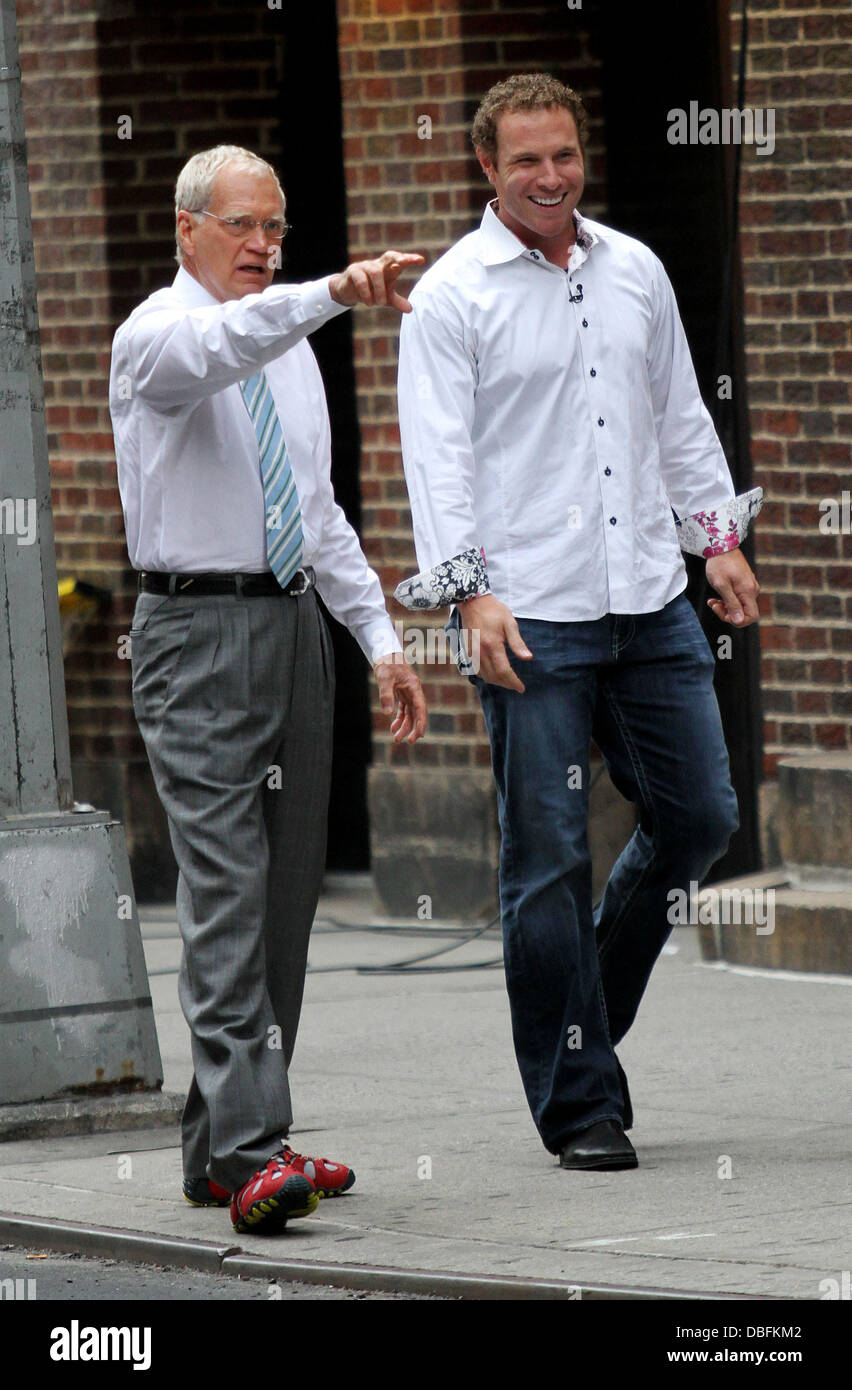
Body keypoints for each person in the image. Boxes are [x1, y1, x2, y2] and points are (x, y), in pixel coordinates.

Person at [395, 75, 762, 1172]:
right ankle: (580, 1105)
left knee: (701, 815)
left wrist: (718, 538)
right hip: (531, 615)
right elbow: (437, 455)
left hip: (649, 594)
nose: (551, 177)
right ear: (486, 169)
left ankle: (579, 1010)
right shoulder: (455, 295)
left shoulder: (634, 268)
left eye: (564, 155)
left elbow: (679, 414)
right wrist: (468, 591)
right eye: (526, 162)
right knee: (546, 858)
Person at [110, 145, 427, 1234]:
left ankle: (224, 1146)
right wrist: (331, 292)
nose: (263, 247)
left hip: (291, 622)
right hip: (194, 630)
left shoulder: (287, 346)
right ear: (187, 226)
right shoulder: (157, 335)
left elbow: (322, 510)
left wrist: (381, 641)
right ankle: (252, 1150)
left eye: (278, 230)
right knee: (229, 890)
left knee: (284, 892)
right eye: (245, 227)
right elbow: (218, 346)